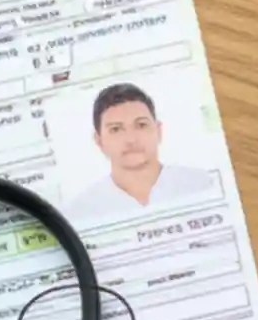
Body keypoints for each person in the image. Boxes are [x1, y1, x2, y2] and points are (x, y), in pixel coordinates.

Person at [63, 83, 214, 221]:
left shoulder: (202, 185)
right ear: (99, 140)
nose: (131, 139)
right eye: (116, 129)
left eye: (141, 125)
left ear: (158, 131)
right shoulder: (81, 211)